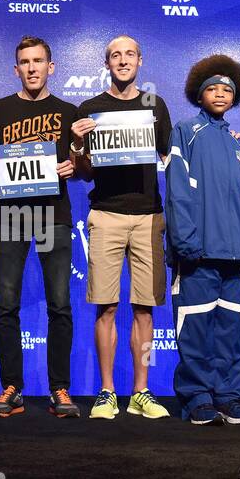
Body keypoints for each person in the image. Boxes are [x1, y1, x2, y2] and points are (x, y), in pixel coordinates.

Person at [70, 36, 172, 420]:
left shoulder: (155, 105)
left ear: (140, 61)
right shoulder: (90, 109)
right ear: (107, 64)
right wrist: (77, 145)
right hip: (106, 213)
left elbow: (170, 157)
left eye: (130, 54)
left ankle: (141, 391)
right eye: (116, 55)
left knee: (145, 309)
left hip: (148, 215)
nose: (123, 60)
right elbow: (83, 173)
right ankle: (107, 391)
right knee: (106, 306)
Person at [0, 35, 80, 418]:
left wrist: (74, 165)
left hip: (54, 216)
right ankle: (12, 387)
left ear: (50, 67)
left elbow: (82, 166)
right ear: (16, 69)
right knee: (7, 305)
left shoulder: (69, 111)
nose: (32, 67)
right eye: (25, 62)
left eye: (38, 61)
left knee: (60, 305)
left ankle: (60, 388)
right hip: (10, 217)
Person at [165, 54, 240, 425]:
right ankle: (197, 398)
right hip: (197, 254)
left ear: (235, 97)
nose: (220, 94)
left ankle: (229, 396)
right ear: (199, 94)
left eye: (227, 90)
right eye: (212, 89)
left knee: (228, 332)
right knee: (195, 332)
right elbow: (178, 191)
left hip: (233, 256)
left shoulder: (239, 145)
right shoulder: (185, 131)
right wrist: (186, 243)